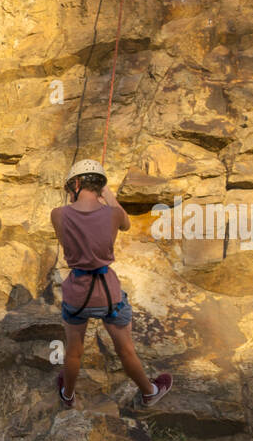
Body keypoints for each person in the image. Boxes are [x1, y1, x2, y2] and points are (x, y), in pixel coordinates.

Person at [50, 159, 172, 409]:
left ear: (75, 183)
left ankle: (68, 395)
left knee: (74, 351)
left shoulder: (59, 214)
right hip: (108, 292)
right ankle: (149, 392)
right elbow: (126, 224)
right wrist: (109, 196)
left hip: (77, 292)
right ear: (100, 186)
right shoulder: (113, 213)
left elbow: (67, 238)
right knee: (125, 349)